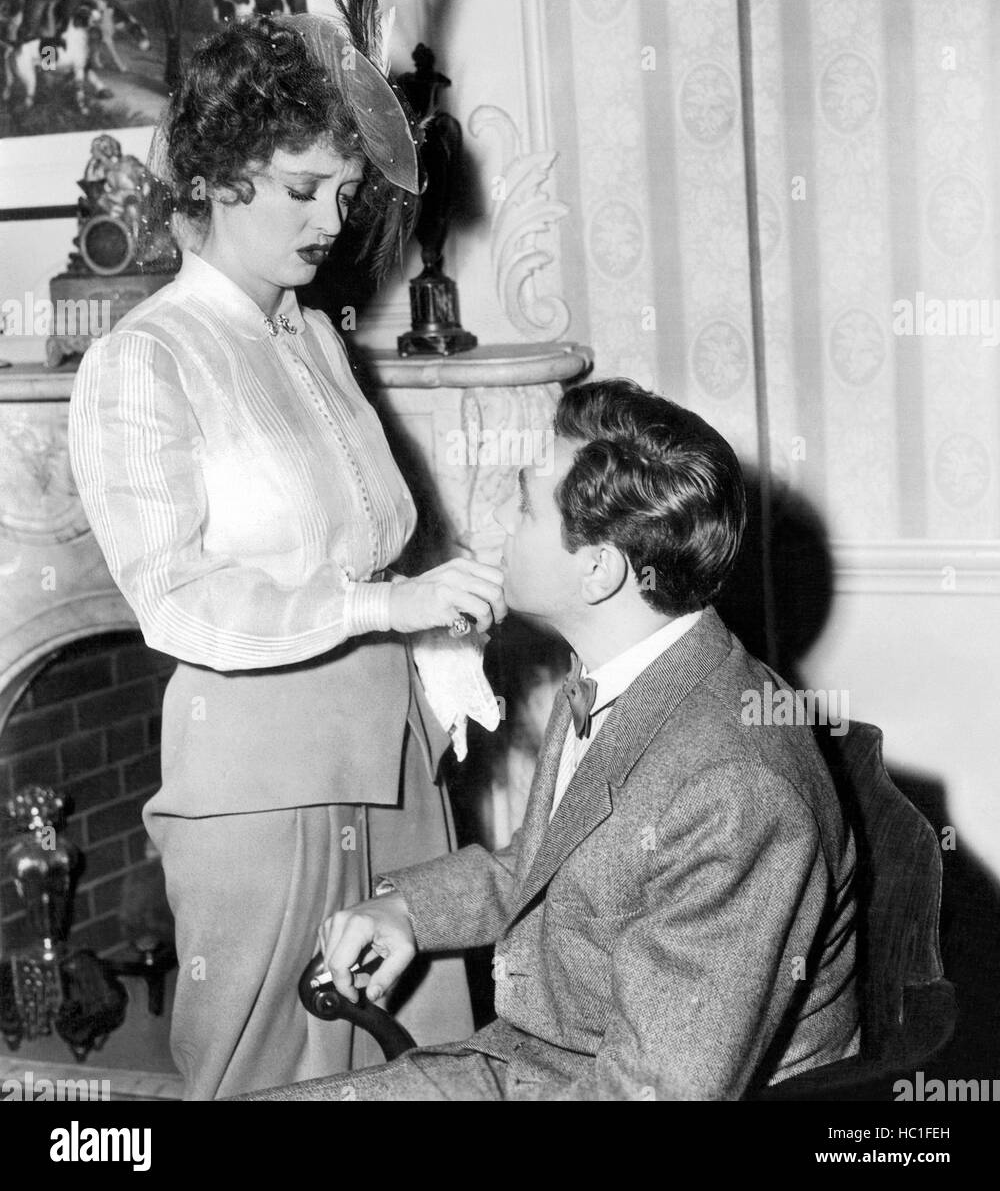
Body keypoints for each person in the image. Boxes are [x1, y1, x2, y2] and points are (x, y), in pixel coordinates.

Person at [68, 14, 506, 1099]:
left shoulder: (311, 335)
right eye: (303, 187)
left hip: (394, 756)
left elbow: (378, 529)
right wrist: (384, 609)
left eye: (346, 192)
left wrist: (442, 630)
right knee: (265, 1081)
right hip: (263, 790)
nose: (332, 216)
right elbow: (175, 600)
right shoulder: (145, 361)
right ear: (216, 180)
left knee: (423, 1071)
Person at [240, 379, 860, 1101]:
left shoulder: (734, 791)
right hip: (541, 1068)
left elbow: (654, 1092)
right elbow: (557, 867)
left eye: (529, 507)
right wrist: (407, 909)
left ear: (598, 569)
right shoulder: (621, 673)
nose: (505, 519)